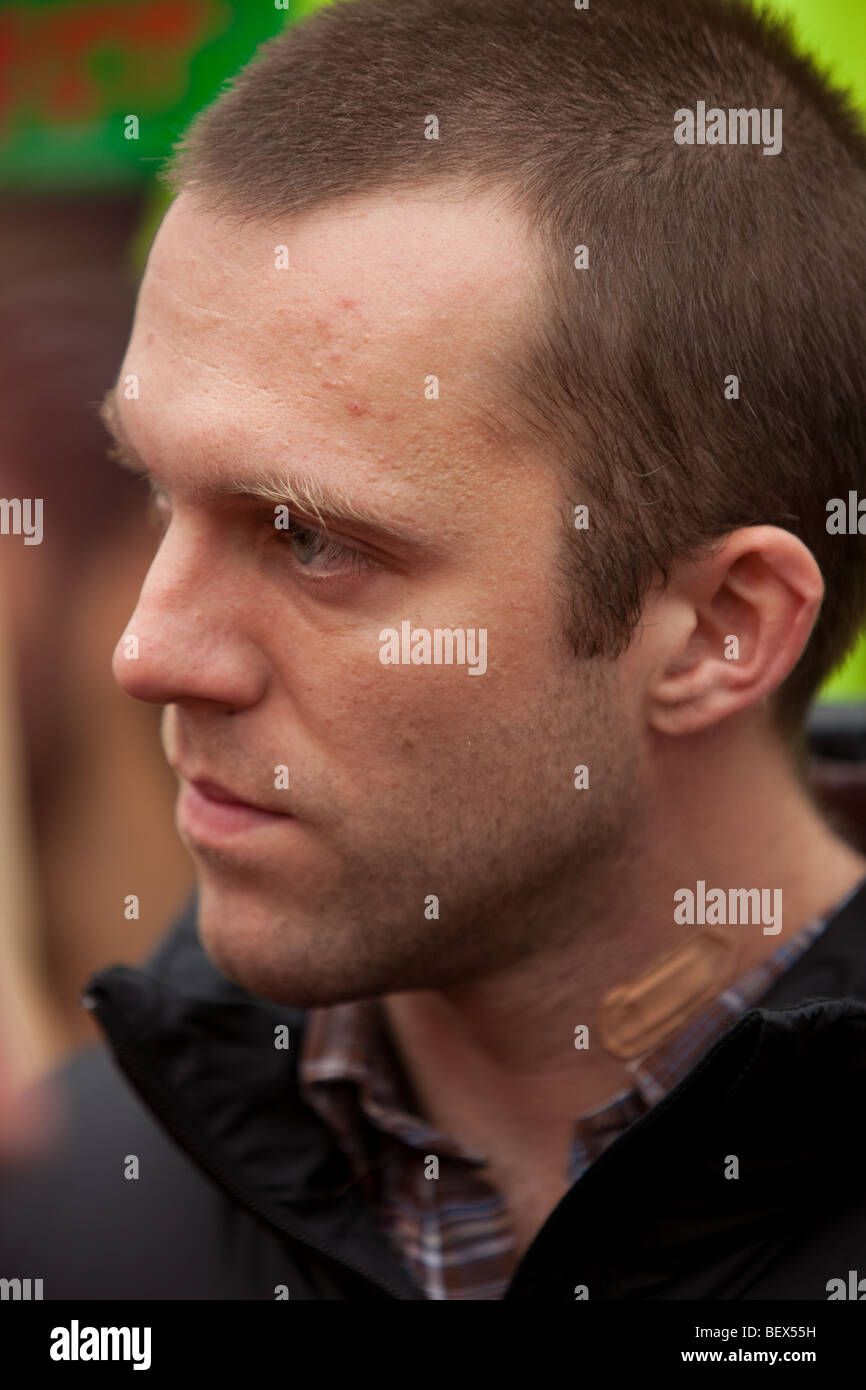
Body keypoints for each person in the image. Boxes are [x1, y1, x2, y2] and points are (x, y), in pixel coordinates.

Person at [2, 0, 866, 1301]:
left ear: (717, 630)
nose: (149, 651)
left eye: (304, 538)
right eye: (157, 492)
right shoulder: (67, 1219)